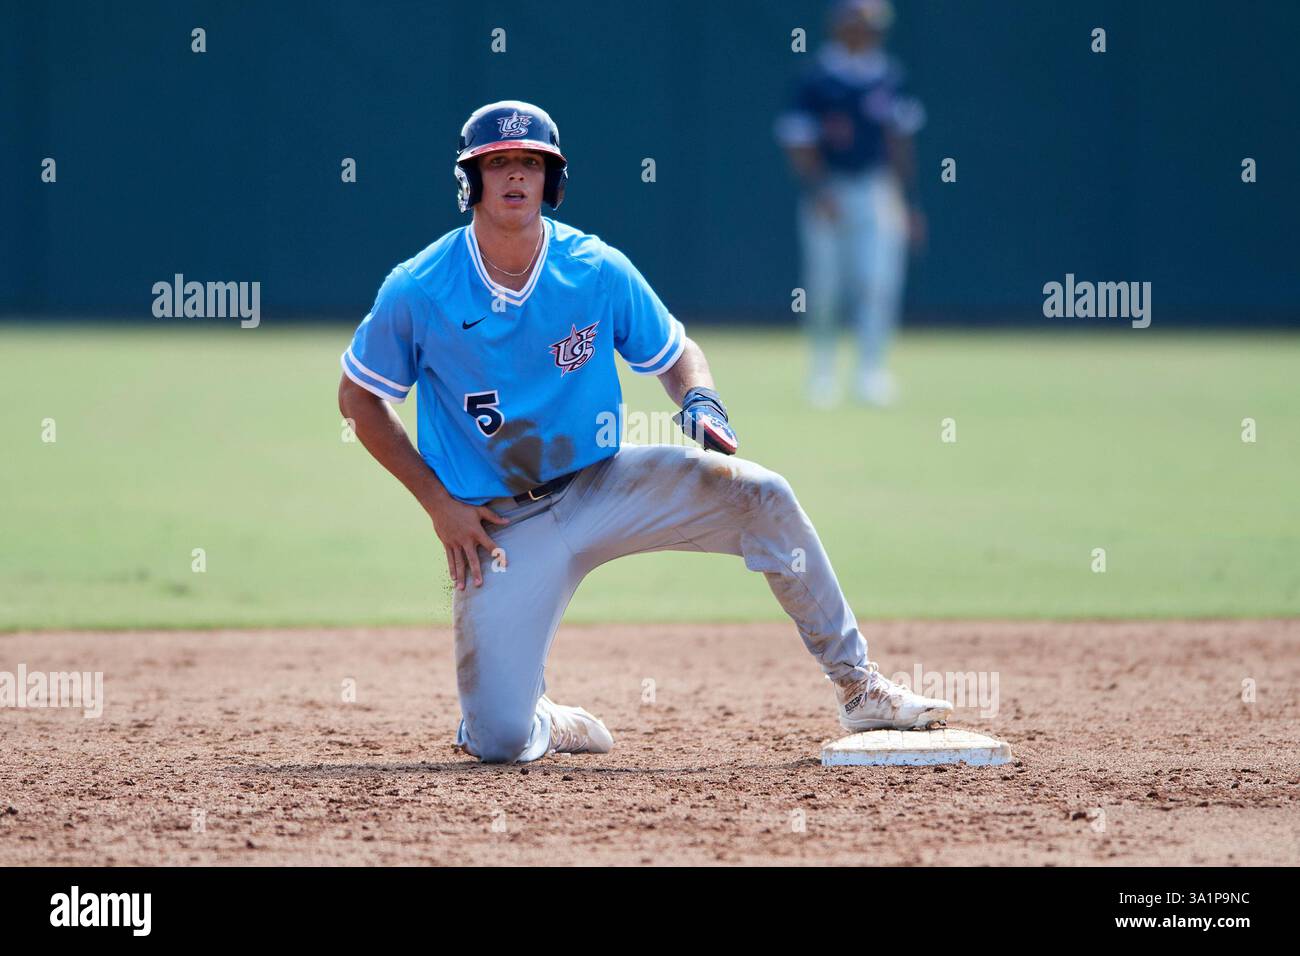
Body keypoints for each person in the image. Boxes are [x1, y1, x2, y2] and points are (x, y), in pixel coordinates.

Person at [337, 100, 952, 764]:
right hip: (500, 527)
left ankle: (859, 688)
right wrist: (437, 505)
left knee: (764, 495)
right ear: (472, 181)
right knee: (499, 741)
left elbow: (676, 352)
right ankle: (546, 717)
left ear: (553, 180)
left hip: (605, 486)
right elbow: (359, 400)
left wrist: (700, 399)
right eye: (498, 164)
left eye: (530, 164)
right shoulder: (420, 288)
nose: (516, 177)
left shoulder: (595, 268)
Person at [777, 0, 925, 407]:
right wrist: (819, 188)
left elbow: (900, 140)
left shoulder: (890, 76)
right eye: (858, 24)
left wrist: (909, 201)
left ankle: (870, 371)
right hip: (830, 191)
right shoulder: (817, 79)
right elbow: (798, 140)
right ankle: (822, 372)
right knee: (824, 286)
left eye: (874, 25)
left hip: (877, 189)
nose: (867, 32)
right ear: (839, 26)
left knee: (878, 281)